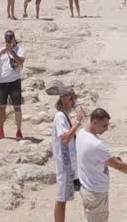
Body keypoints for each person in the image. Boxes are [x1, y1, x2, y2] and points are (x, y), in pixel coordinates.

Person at [75, 108, 127, 222]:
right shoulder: (96, 144)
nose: (107, 128)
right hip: (96, 193)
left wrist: (110, 160)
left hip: (86, 188)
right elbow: (120, 166)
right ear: (94, 122)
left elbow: (89, 157)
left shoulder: (81, 133)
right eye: (104, 125)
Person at [52, 84, 86, 222]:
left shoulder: (65, 115)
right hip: (64, 164)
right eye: (72, 99)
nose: (74, 102)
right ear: (64, 99)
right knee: (61, 199)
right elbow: (65, 139)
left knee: (64, 198)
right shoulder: (60, 116)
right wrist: (77, 122)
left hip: (69, 164)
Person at [0, 30, 26, 140]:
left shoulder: (20, 50)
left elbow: (21, 61)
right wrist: (2, 52)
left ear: (14, 39)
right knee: (1, 108)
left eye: (10, 40)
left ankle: (19, 131)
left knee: (17, 108)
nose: (9, 42)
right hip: (2, 82)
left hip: (15, 81)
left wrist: (11, 52)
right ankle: (0, 130)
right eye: (7, 40)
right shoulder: (1, 50)